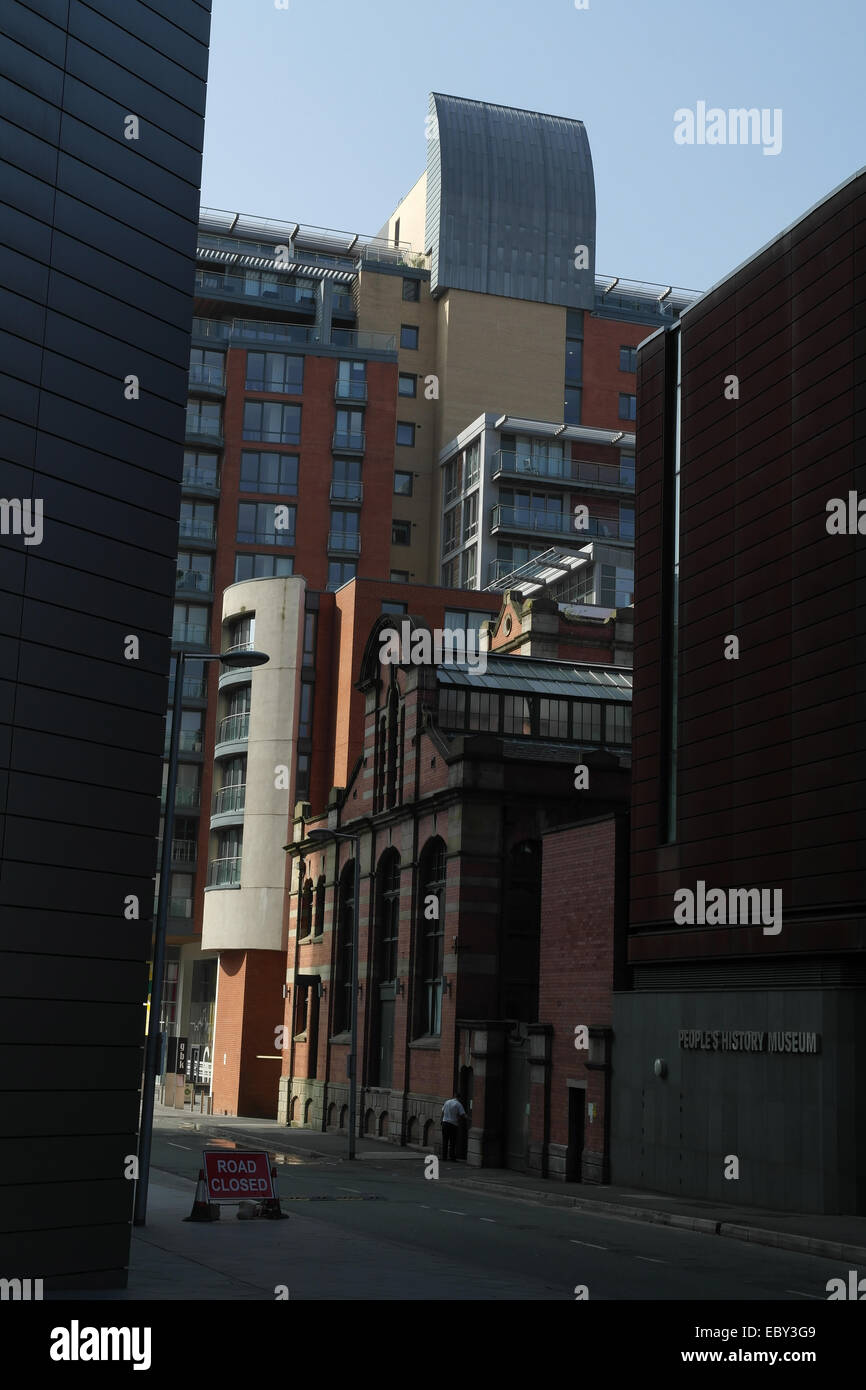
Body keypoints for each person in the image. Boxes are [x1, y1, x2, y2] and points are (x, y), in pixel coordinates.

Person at [441, 1091, 466, 1160]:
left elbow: (442, 1112)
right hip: (453, 1125)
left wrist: (441, 1121)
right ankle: (452, 1157)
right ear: (459, 1098)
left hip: (445, 1123)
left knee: (445, 1141)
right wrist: (469, 1118)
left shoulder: (447, 1102)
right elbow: (463, 1114)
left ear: (454, 1096)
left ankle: (444, 1157)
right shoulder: (458, 1104)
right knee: (452, 1141)